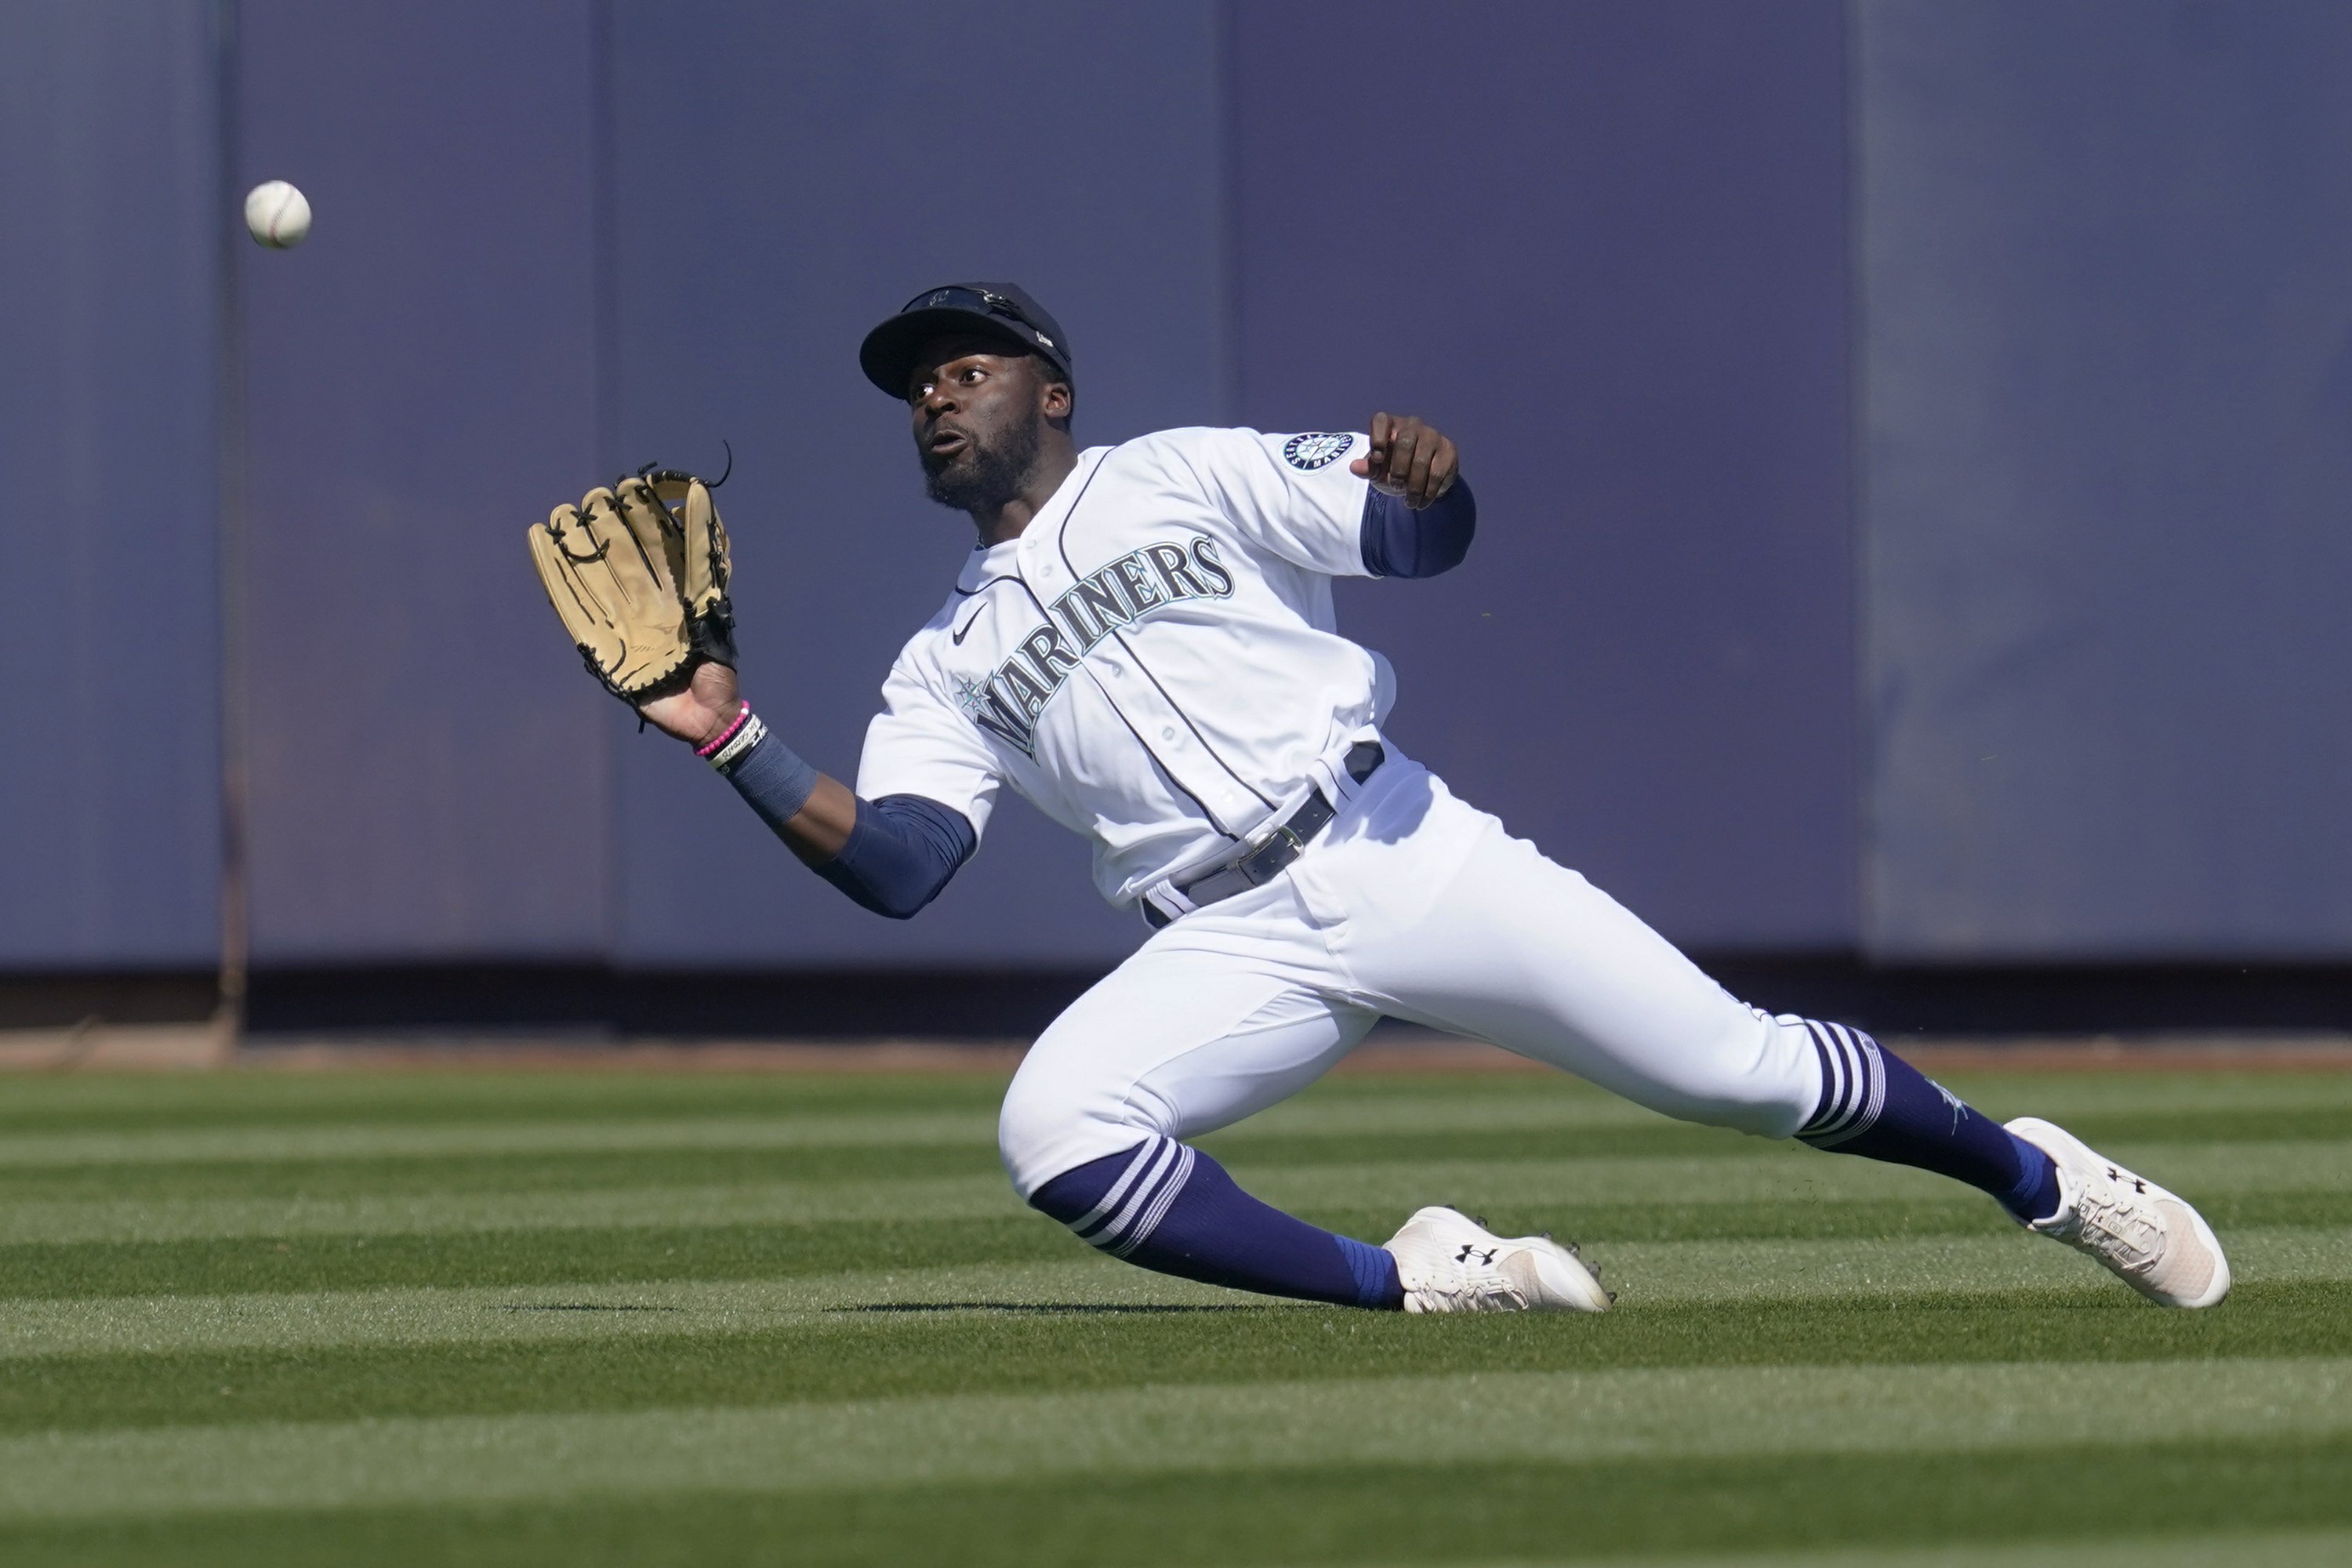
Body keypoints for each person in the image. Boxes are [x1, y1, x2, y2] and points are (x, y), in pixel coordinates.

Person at [629, 281, 2229, 1314]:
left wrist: (1435, 483)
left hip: (1396, 845)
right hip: (1226, 937)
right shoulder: (944, 657)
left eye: (964, 366)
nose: (934, 393)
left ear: (1052, 389)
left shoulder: (1179, 472)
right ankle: (1422, 1279)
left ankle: (2045, 1179)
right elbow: (904, 867)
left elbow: (1412, 544)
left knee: (1736, 1073)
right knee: (1054, 1131)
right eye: (914, 384)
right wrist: (730, 732)